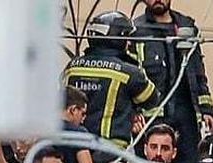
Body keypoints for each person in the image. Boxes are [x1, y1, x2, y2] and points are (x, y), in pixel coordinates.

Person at [132, 0, 213, 163]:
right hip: (152, 119)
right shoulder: (136, 30)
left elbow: (197, 71)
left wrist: (206, 109)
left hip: (186, 118)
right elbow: (132, 78)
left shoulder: (187, 27)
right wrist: (134, 114)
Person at [63, 12, 162, 152]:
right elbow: (152, 99)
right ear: (118, 38)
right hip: (110, 152)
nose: (128, 43)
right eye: (126, 37)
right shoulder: (128, 72)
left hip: (73, 148)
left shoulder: (72, 67)